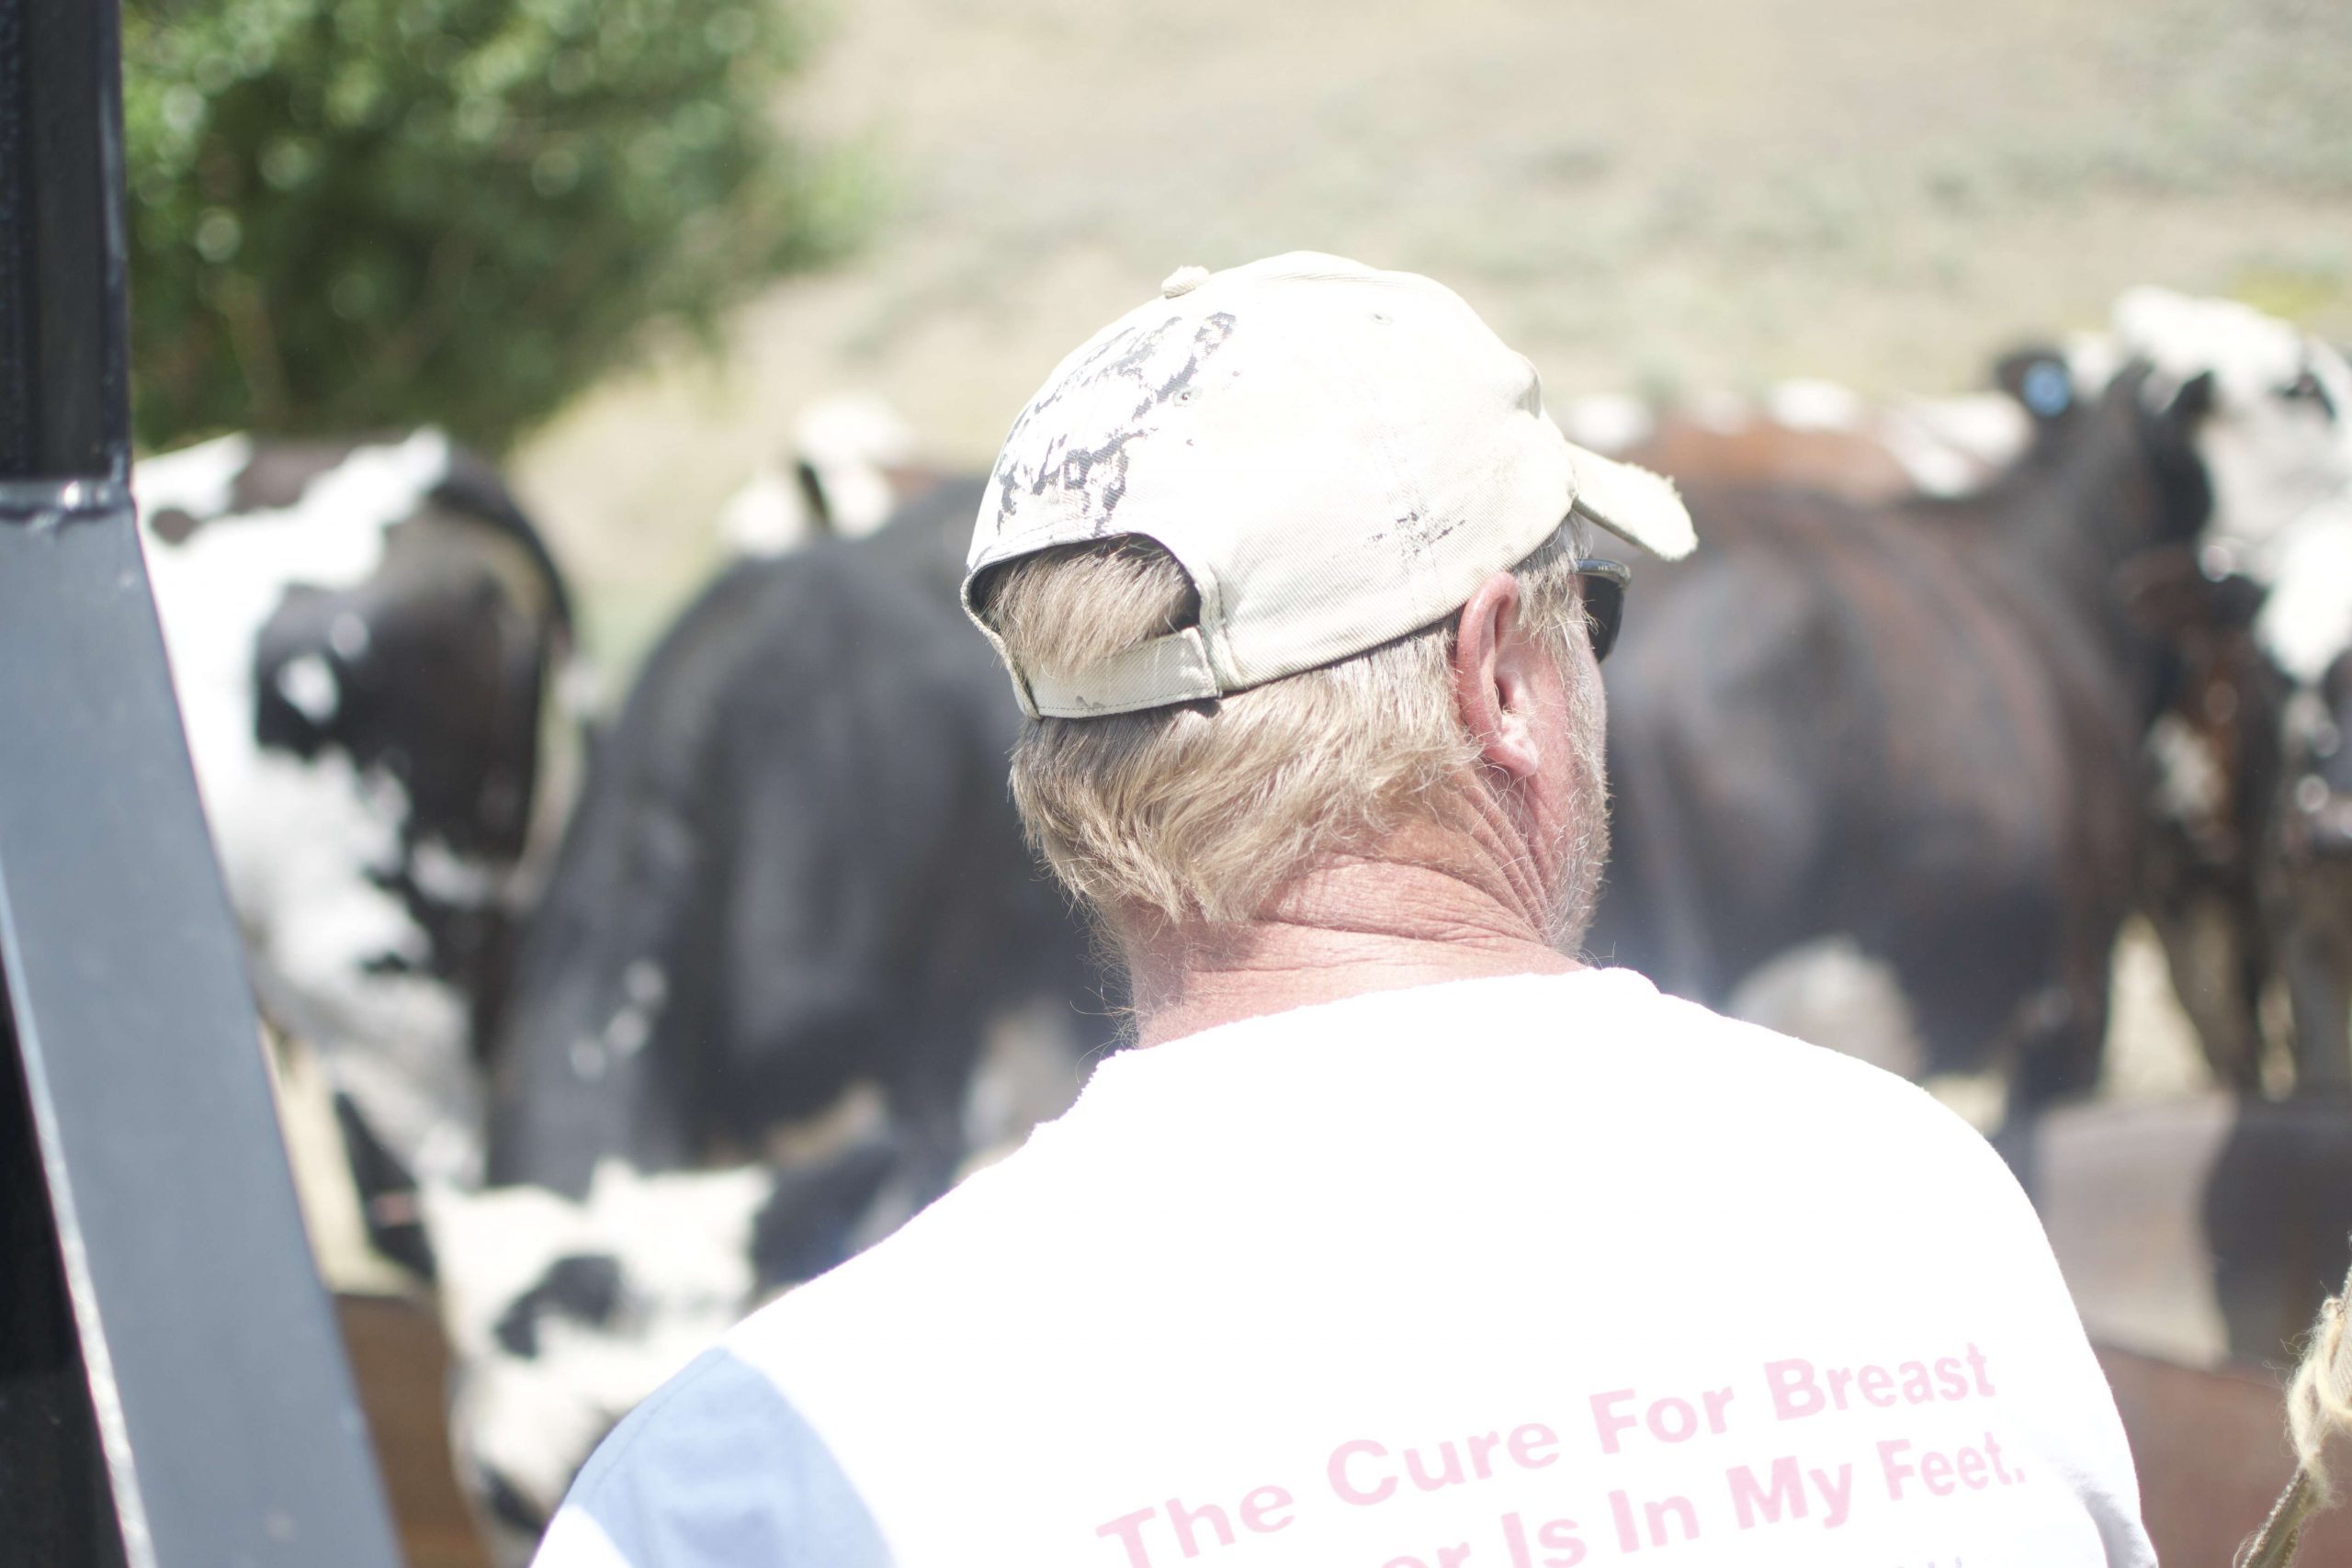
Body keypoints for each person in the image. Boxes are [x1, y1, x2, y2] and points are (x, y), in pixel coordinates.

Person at [532, 254, 2153, 1567]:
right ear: (1499, 678)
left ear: (1063, 765)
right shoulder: (1909, 1213)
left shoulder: (746, 1478)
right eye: (1592, 611)